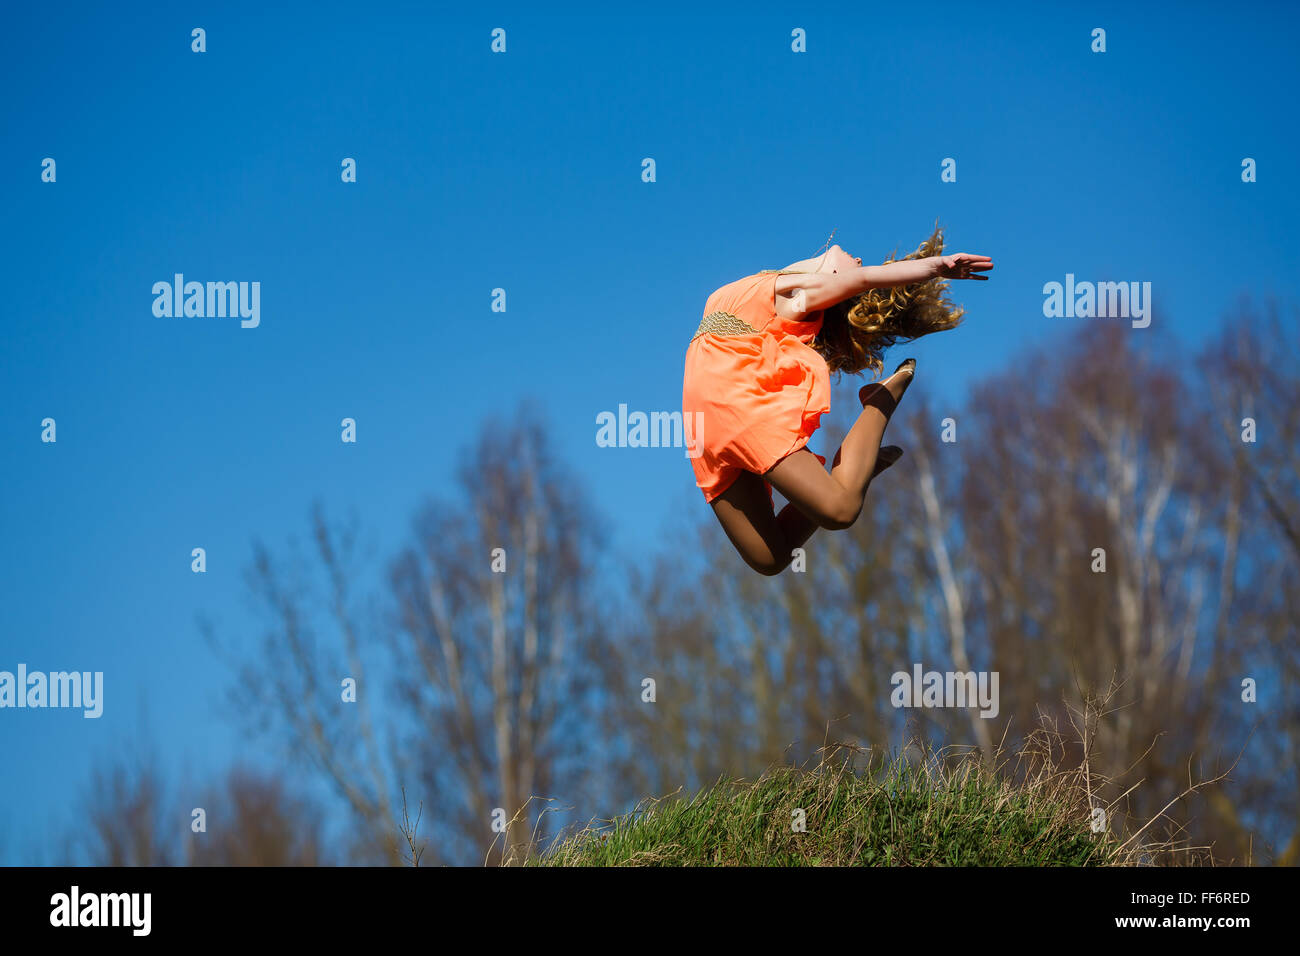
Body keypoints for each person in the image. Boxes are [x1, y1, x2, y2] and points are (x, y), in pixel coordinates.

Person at [681, 224, 992, 575]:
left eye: (856, 264)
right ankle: (855, 470)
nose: (857, 258)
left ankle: (880, 401)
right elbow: (860, 279)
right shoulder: (768, 287)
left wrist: (935, 266)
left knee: (841, 510)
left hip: (731, 407)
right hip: (705, 425)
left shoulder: (794, 292)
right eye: (854, 261)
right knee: (770, 558)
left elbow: (865, 279)